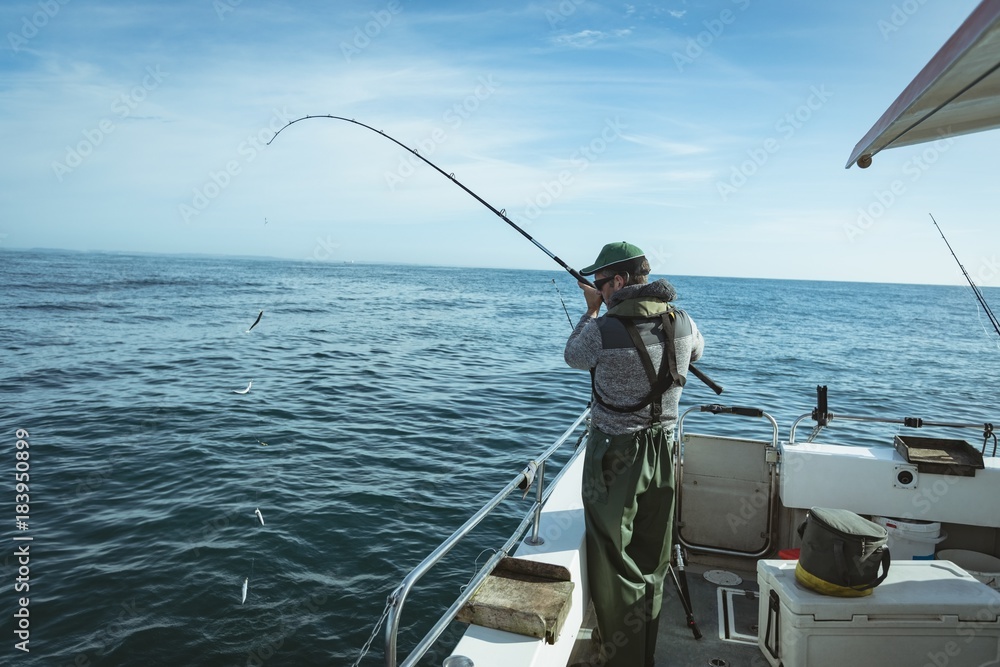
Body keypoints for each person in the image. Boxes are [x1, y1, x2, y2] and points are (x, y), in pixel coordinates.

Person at [564, 241, 704, 667]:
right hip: (664, 451)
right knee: (652, 557)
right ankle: (644, 652)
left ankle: (622, 658)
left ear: (620, 281)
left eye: (601, 283)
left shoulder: (601, 330)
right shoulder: (683, 321)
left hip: (616, 455)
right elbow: (696, 353)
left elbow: (573, 357)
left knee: (613, 559)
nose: (598, 289)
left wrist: (591, 309)